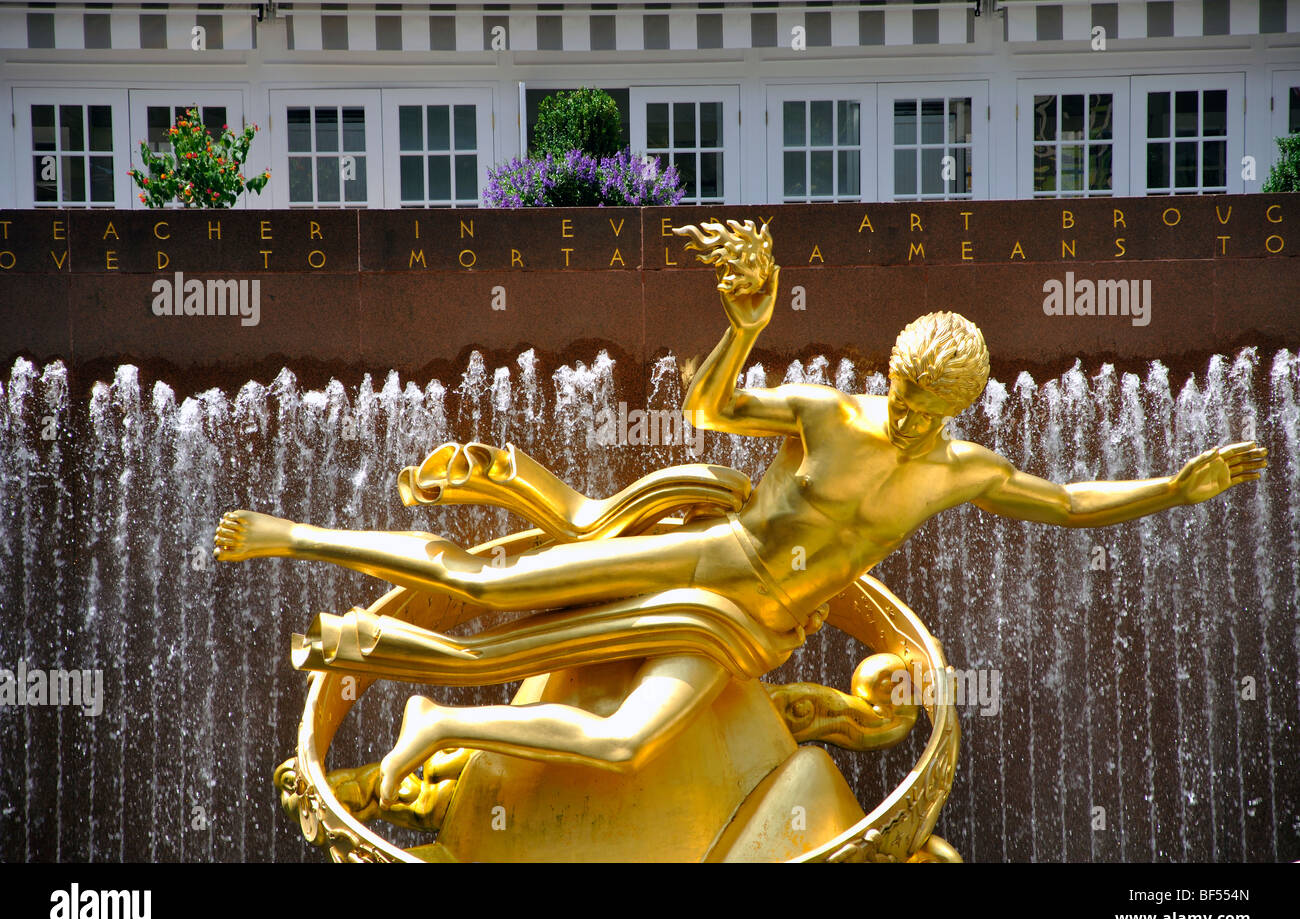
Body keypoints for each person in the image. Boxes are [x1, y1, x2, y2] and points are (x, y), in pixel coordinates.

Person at [215, 220, 1267, 806]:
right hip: (702, 557)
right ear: (890, 373)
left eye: (921, 408)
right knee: (484, 581)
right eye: (897, 391)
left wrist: (1173, 486)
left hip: (748, 628)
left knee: (625, 741)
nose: (898, 414)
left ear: (956, 409)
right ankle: (287, 535)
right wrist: (745, 326)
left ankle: (437, 717)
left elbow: (1072, 500)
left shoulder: (962, 469)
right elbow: (708, 406)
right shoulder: (830, 412)